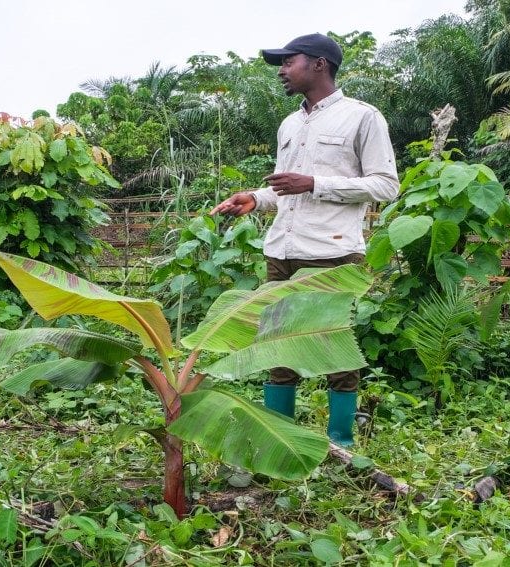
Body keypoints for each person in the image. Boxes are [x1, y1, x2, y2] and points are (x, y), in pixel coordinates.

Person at [211, 33, 399, 447]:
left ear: (319, 64)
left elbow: (386, 186)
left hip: (332, 252)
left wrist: (314, 183)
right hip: (282, 250)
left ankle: (341, 442)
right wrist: (254, 199)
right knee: (277, 346)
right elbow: (285, 189)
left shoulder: (362, 117)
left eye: (287, 61)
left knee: (334, 347)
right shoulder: (289, 124)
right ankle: (280, 435)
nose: (281, 70)